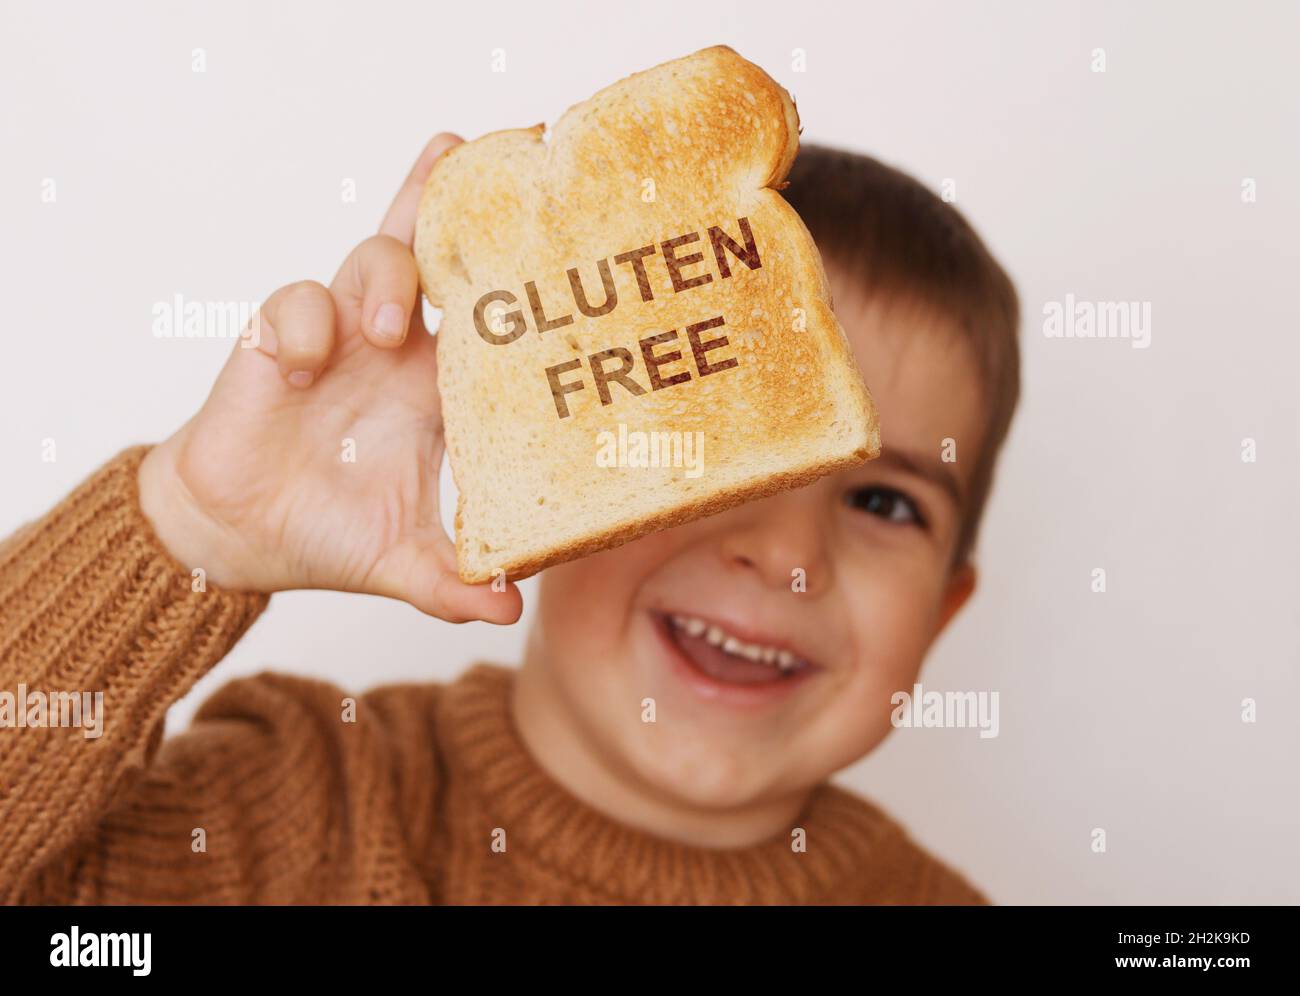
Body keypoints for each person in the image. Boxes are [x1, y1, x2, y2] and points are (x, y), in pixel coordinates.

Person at [0, 133, 1018, 904]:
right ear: (559, 478)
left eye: (883, 501)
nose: (784, 556)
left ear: (943, 610)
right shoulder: (297, 806)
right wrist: (189, 526)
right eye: (711, 455)